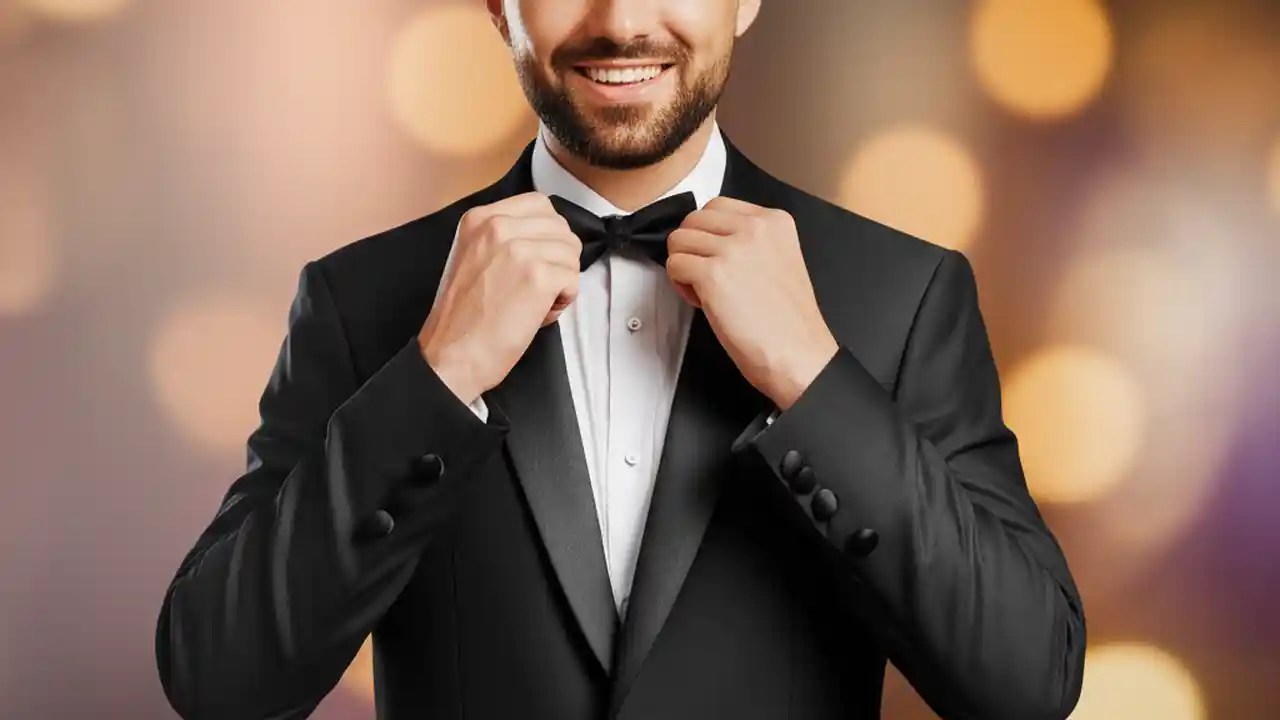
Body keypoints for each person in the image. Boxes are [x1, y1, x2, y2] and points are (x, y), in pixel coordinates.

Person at [154, 1, 1086, 718]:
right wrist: (434, 377)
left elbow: (1027, 682)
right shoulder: (361, 301)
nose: (622, 21)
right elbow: (218, 680)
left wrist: (814, 378)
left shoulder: (903, 295)